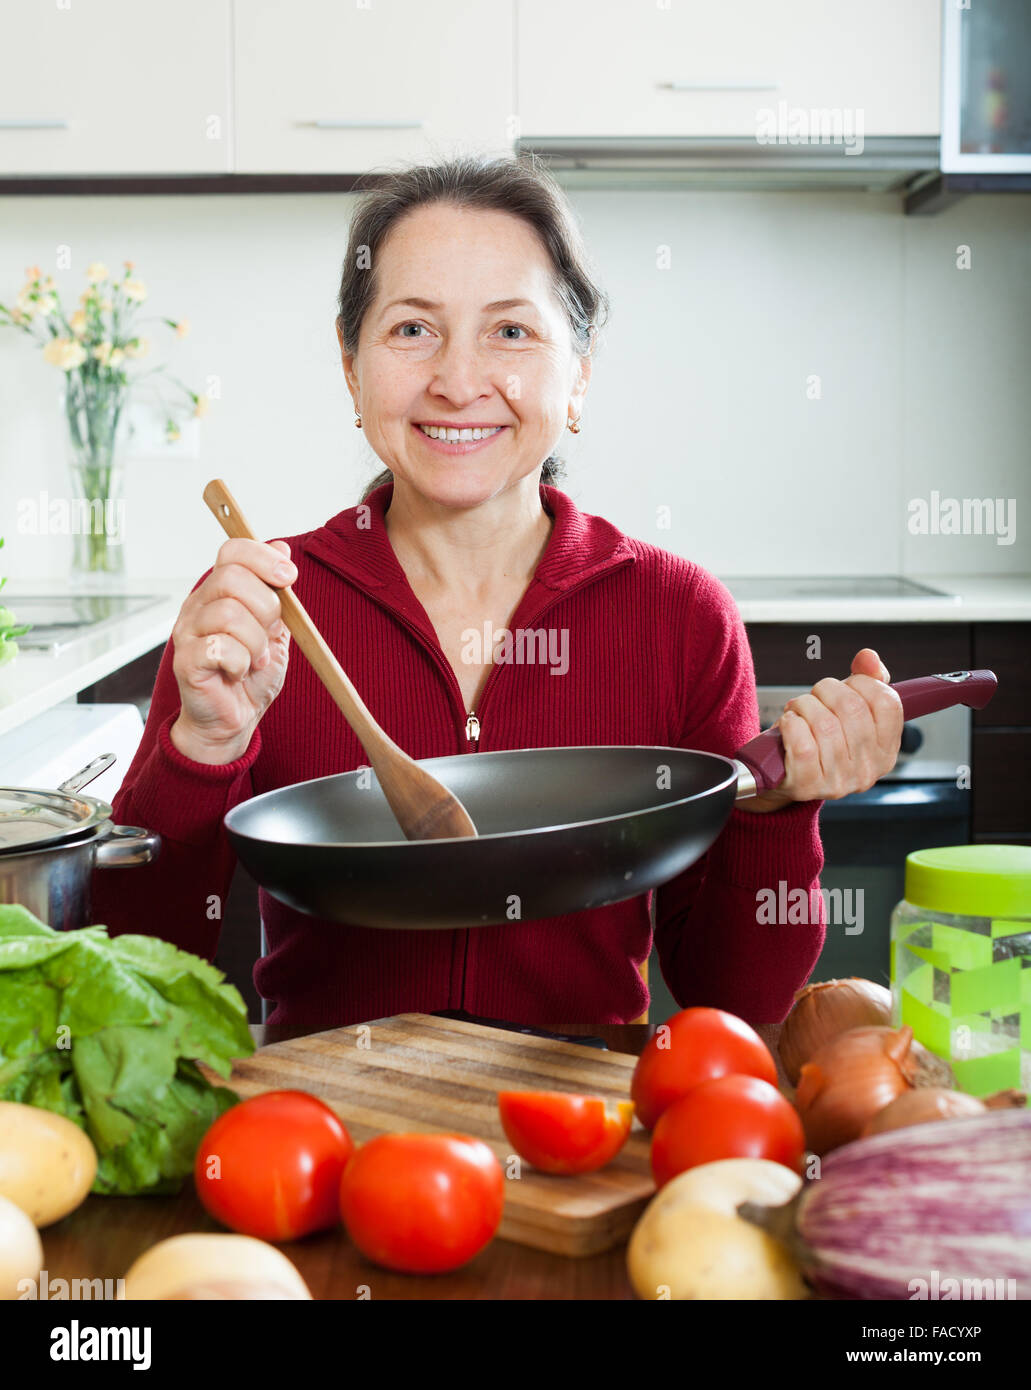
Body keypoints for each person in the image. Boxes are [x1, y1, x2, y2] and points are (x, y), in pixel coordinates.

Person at [91, 154, 904, 1029]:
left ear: (580, 369)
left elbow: (733, 999)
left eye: (511, 332)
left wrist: (778, 814)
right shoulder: (257, 604)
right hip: (325, 1137)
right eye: (412, 330)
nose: (458, 380)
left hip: (588, 1138)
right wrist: (201, 746)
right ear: (349, 362)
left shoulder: (678, 617)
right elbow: (136, 970)